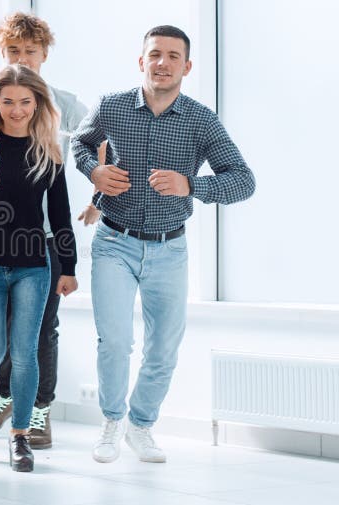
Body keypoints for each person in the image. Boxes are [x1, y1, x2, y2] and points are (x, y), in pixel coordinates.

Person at [71, 25, 255, 464]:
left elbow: (243, 181)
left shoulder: (201, 120)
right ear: (141, 61)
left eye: (173, 56)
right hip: (114, 241)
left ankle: (140, 425)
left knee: (163, 348)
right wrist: (94, 173)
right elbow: (79, 144)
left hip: (170, 249)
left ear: (186, 67)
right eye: (155, 54)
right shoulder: (111, 106)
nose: (163, 62)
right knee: (114, 342)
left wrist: (191, 184)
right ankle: (112, 422)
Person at [0, 64, 78, 472]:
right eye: (8, 101)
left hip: (34, 266)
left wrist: (68, 266)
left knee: (26, 355)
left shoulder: (47, 150)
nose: (16, 110)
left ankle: (20, 438)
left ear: (38, 104)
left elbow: (60, 215)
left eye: (25, 102)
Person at [0, 12, 91, 449]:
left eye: (30, 51)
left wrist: (99, 201)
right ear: (2, 54)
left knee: (42, 328)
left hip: (45, 238)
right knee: (4, 329)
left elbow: (104, 157)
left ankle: (41, 411)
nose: (23, 59)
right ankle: (5, 395)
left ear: (45, 54)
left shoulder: (69, 107)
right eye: (14, 51)